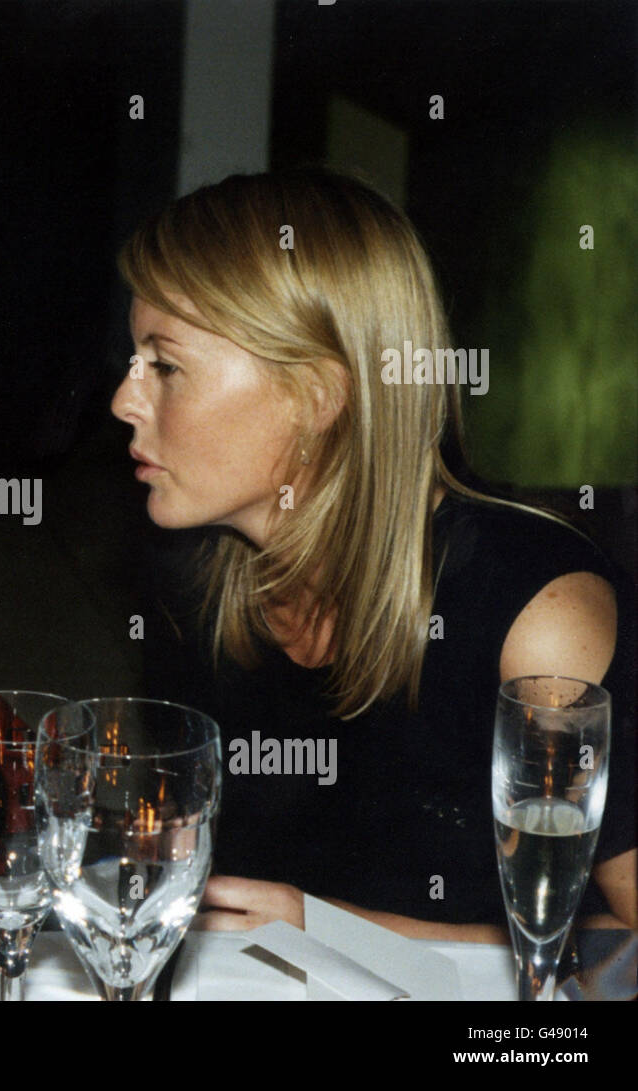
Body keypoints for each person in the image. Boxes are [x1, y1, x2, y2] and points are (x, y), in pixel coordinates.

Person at [113, 168, 636, 940]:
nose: (126, 400)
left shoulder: (534, 615)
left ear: (318, 395)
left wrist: (338, 933)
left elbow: (616, 941)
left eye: (165, 365)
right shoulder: (202, 581)